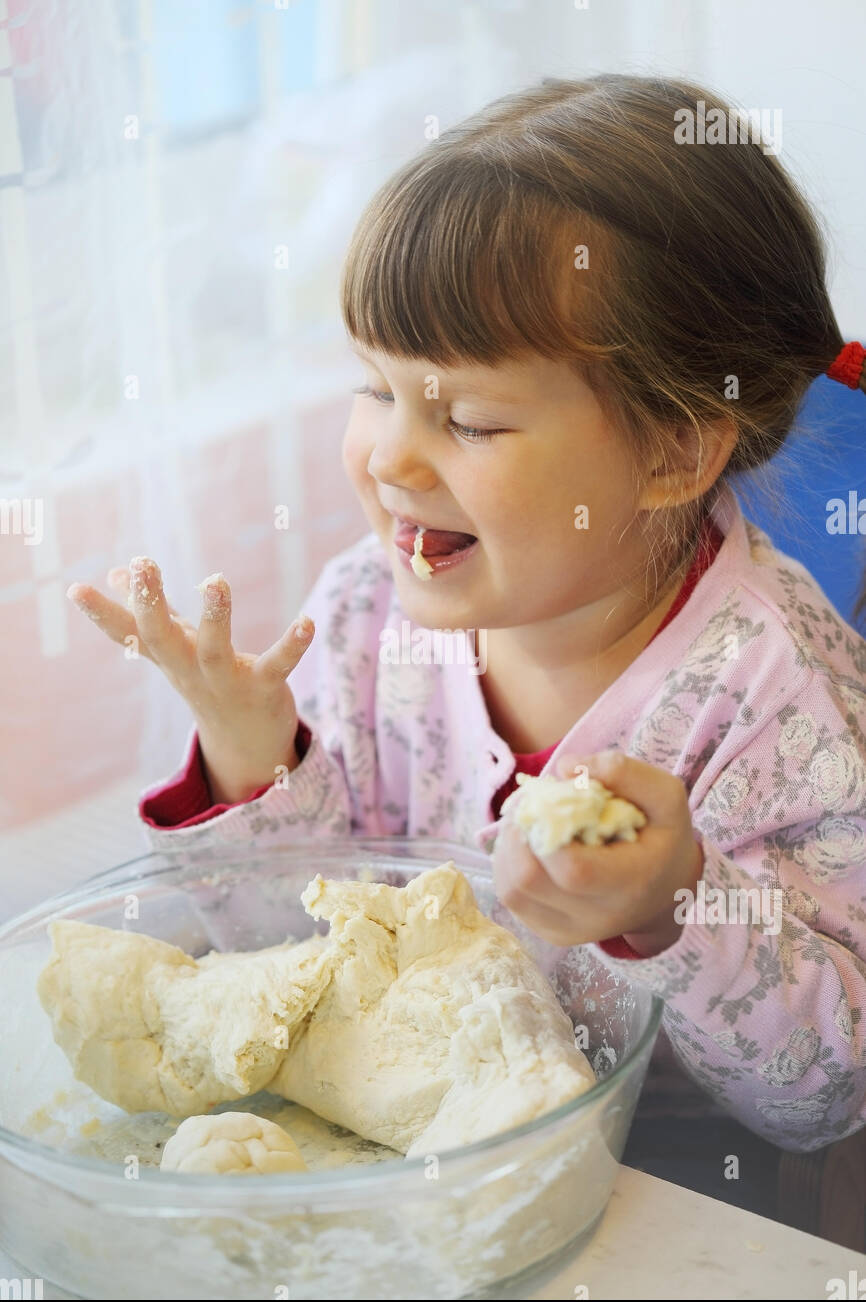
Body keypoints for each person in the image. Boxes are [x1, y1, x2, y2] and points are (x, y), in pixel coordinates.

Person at [68, 75, 866, 1154]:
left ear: (673, 450)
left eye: (472, 420)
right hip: (405, 1172)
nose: (390, 457)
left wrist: (673, 904)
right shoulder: (363, 613)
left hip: (660, 1192)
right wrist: (254, 770)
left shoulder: (778, 697)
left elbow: (821, 1098)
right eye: (374, 388)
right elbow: (293, 988)